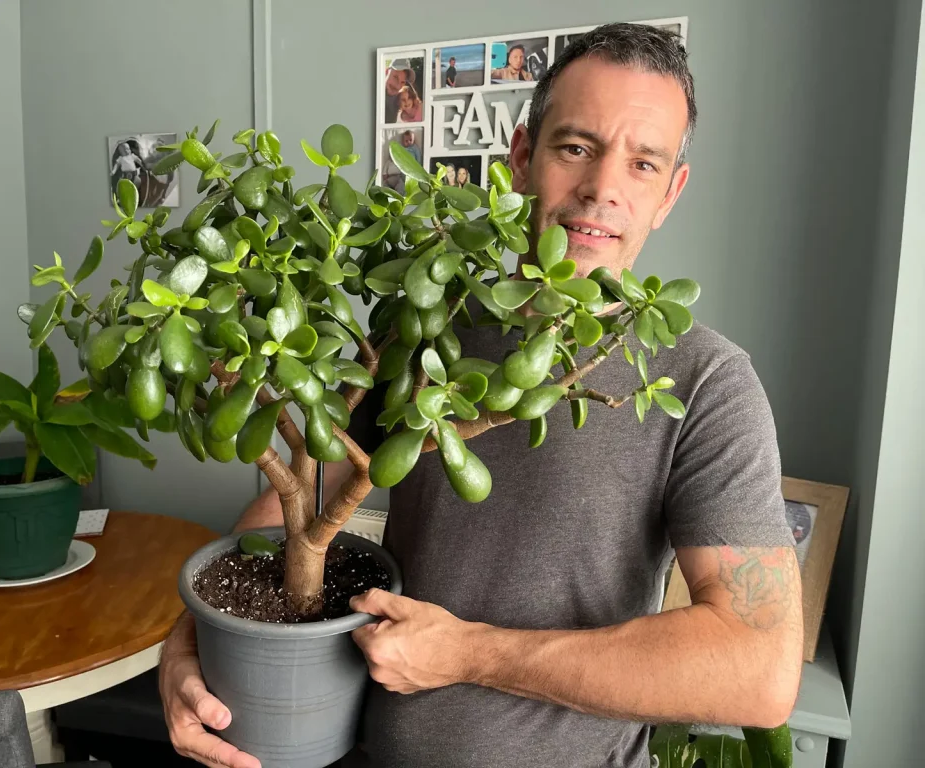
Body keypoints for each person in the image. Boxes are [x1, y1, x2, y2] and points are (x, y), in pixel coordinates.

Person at [158, 22, 803, 768]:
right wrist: (193, 641)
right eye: (576, 147)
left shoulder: (707, 383)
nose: (603, 189)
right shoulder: (420, 328)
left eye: (643, 163)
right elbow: (293, 503)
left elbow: (758, 671)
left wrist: (469, 653)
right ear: (523, 157)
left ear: (669, 194)